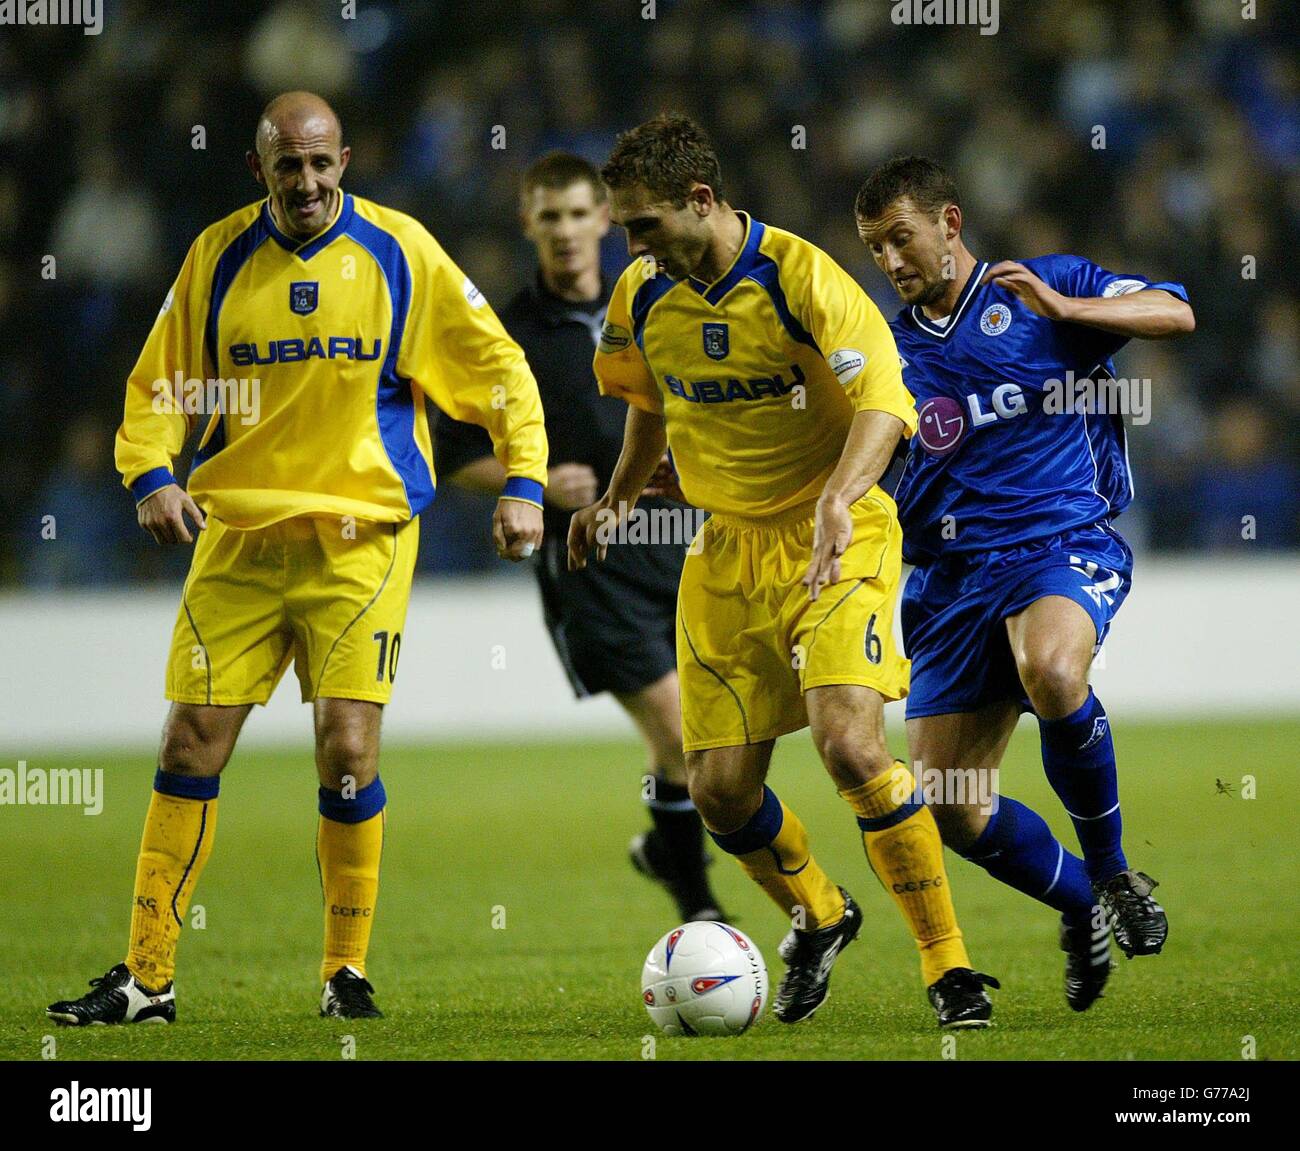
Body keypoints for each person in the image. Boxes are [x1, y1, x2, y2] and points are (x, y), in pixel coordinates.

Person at [46, 91, 547, 1025]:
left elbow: (497, 368)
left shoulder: (401, 251)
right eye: (289, 165)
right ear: (259, 167)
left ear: (345, 161)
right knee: (190, 741)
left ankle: (344, 969)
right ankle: (147, 976)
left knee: (348, 751)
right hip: (235, 538)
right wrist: (151, 473)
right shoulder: (217, 256)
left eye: (322, 163)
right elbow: (159, 383)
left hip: (361, 539)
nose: (308, 181)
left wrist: (524, 480)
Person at [571, 115, 998, 1029]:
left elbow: (887, 399)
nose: (630, 246)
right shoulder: (643, 295)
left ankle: (950, 969)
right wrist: (618, 496)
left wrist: (842, 497)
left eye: (642, 225)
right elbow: (648, 397)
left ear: (700, 201)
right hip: (725, 552)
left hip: (835, 536)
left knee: (849, 742)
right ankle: (821, 912)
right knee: (720, 790)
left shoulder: (802, 278)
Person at [854, 155, 1194, 1010]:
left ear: (950, 223)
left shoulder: (1048, 289)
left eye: (901, 238)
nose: (890, 262)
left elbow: (1176, 311)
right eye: (874, 249)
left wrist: (1076, 312)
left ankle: (1116, 875)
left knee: (1051, 669)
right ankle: (1083, 903)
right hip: (948, 580)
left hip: (1057, 542)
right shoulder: (886, 352)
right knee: (951, 806)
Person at [434, 153, 725, 922]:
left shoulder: (663, 303)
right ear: (528, 223)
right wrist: (525, 480)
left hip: (684, 543)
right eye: (548, 216)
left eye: (577, 214)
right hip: (588, 565)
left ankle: (669, 848)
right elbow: (454, 451)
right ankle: (699, 908)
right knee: (681, 732)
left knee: (698, 744)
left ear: (606, 220)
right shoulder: (506, 336)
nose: (565, 231)